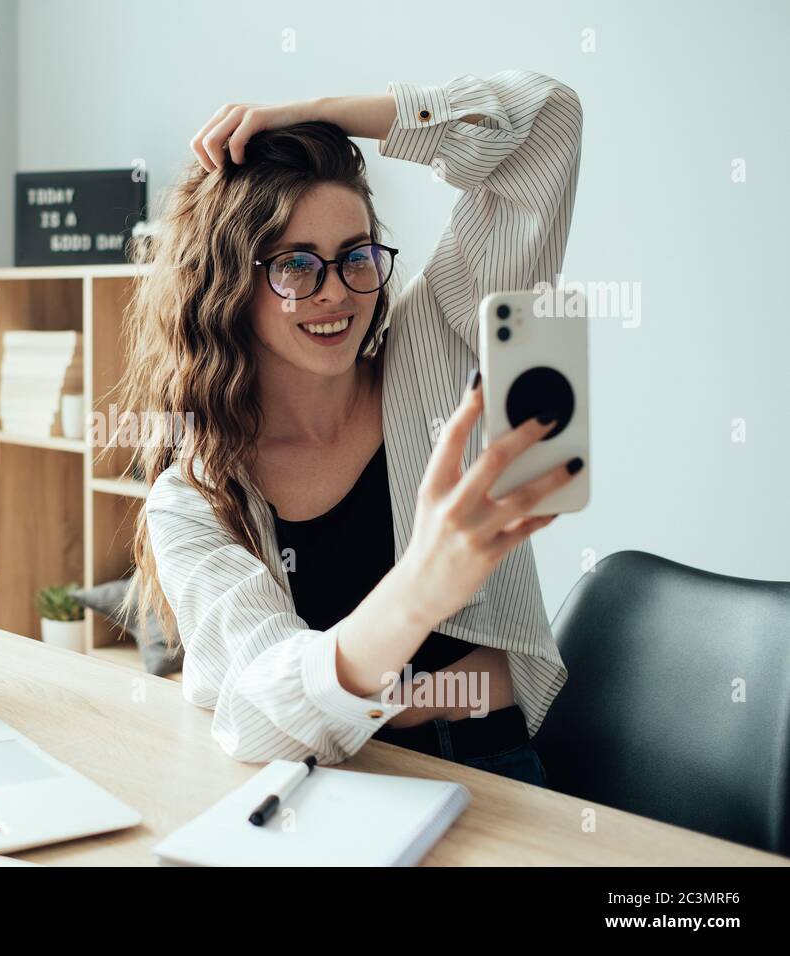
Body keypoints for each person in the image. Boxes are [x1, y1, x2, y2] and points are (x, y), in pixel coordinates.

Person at [115, 70, 584, 785]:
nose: (334, 291)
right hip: (335, 783)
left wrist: (319, 113)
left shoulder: (435, 344)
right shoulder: (196, 498)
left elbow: (547, 121)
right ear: (230, 287)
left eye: (355, 255)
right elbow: (261, 714)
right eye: (295, 265)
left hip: (496, 765)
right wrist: (421, 585)